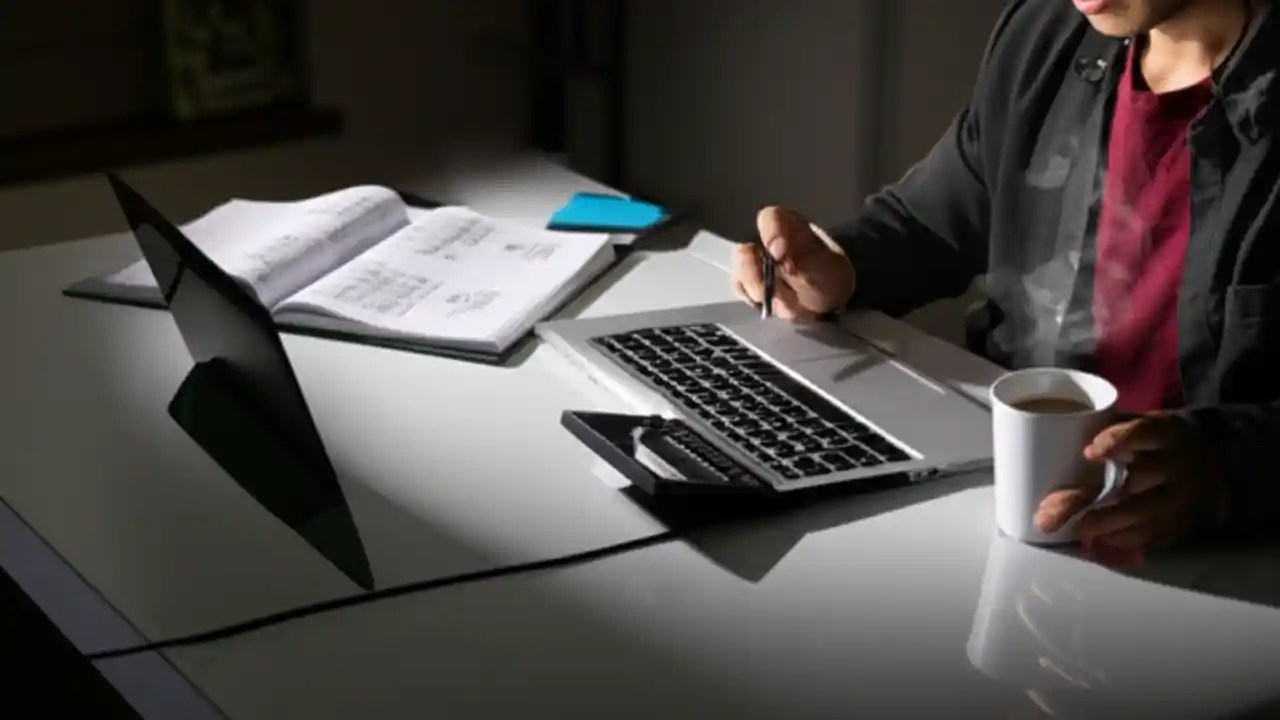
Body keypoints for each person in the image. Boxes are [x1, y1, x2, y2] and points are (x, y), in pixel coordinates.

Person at [731, 0, 1278, 563]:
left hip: (1220, 575)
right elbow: (933, 219)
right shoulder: (1047, 35)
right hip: (1009, 534)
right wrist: (838, 269)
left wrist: (1225, 469)